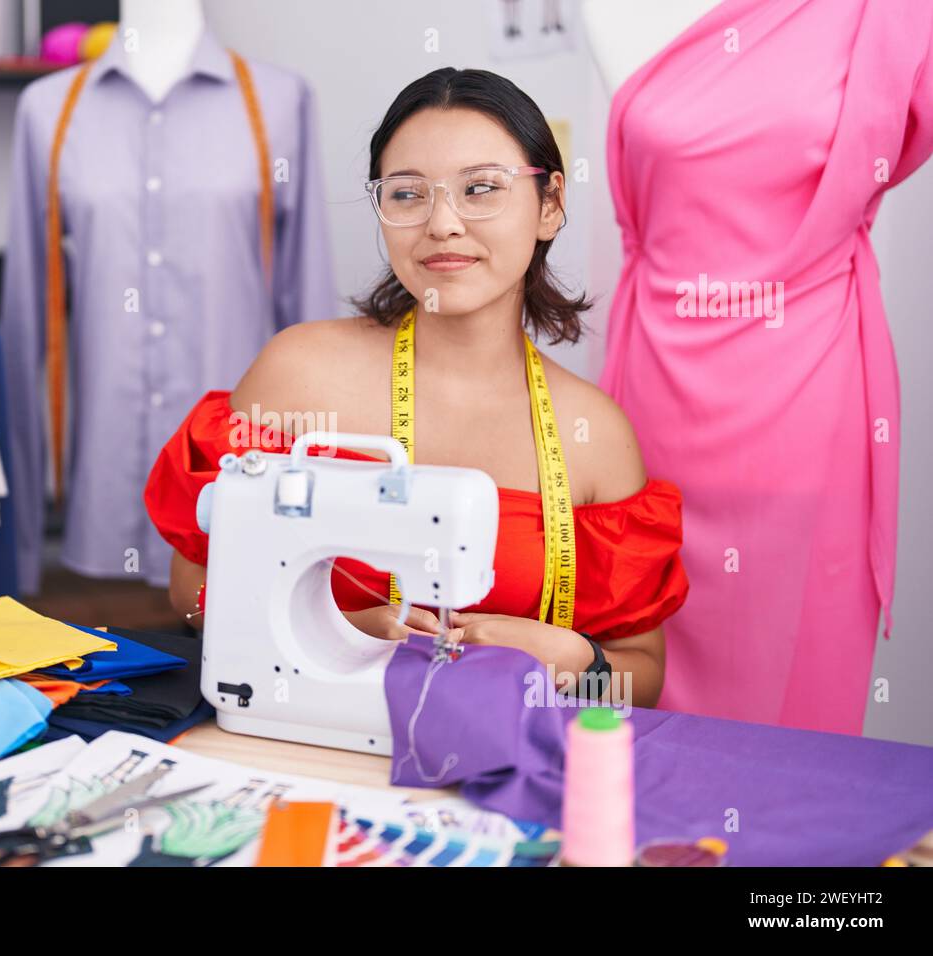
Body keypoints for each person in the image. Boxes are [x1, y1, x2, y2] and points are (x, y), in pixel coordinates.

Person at [145, 68, 688, 708]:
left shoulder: (593, 436)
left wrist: (571, 658)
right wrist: (332, 634)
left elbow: (641, 678)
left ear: (550, 205)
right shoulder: (298, 374)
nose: (442, 224)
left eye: (481, 188)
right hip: (305, 741)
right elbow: (192, 594)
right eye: (407, 195)